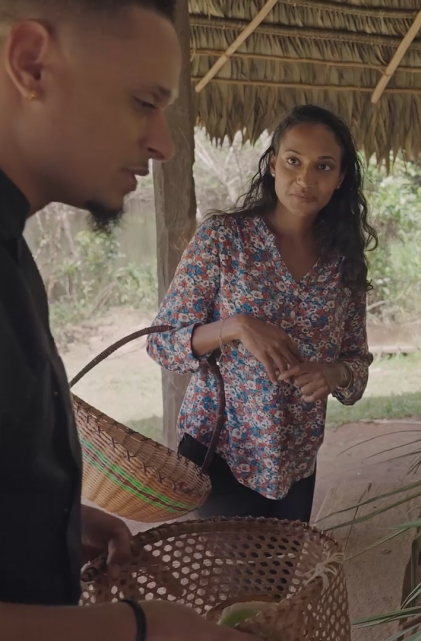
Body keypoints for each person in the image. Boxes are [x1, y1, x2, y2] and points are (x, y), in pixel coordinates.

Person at [0, 1, 253, 640]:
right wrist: (142, 630)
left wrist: (49, 517)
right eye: (143, 102)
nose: (162, 141)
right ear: (31, 62)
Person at [146, 105, 375, 523]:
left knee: (279, 585)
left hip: (296, 460)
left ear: (340, 179)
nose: (305, 179)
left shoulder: (342, 263)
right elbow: (161, 341)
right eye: (293, 161)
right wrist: (236, 326)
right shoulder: (224, 239)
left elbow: (357, 365)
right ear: (272, 164)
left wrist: (333, 373)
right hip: (220, 449)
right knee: (228, 584)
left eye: (323, 166)